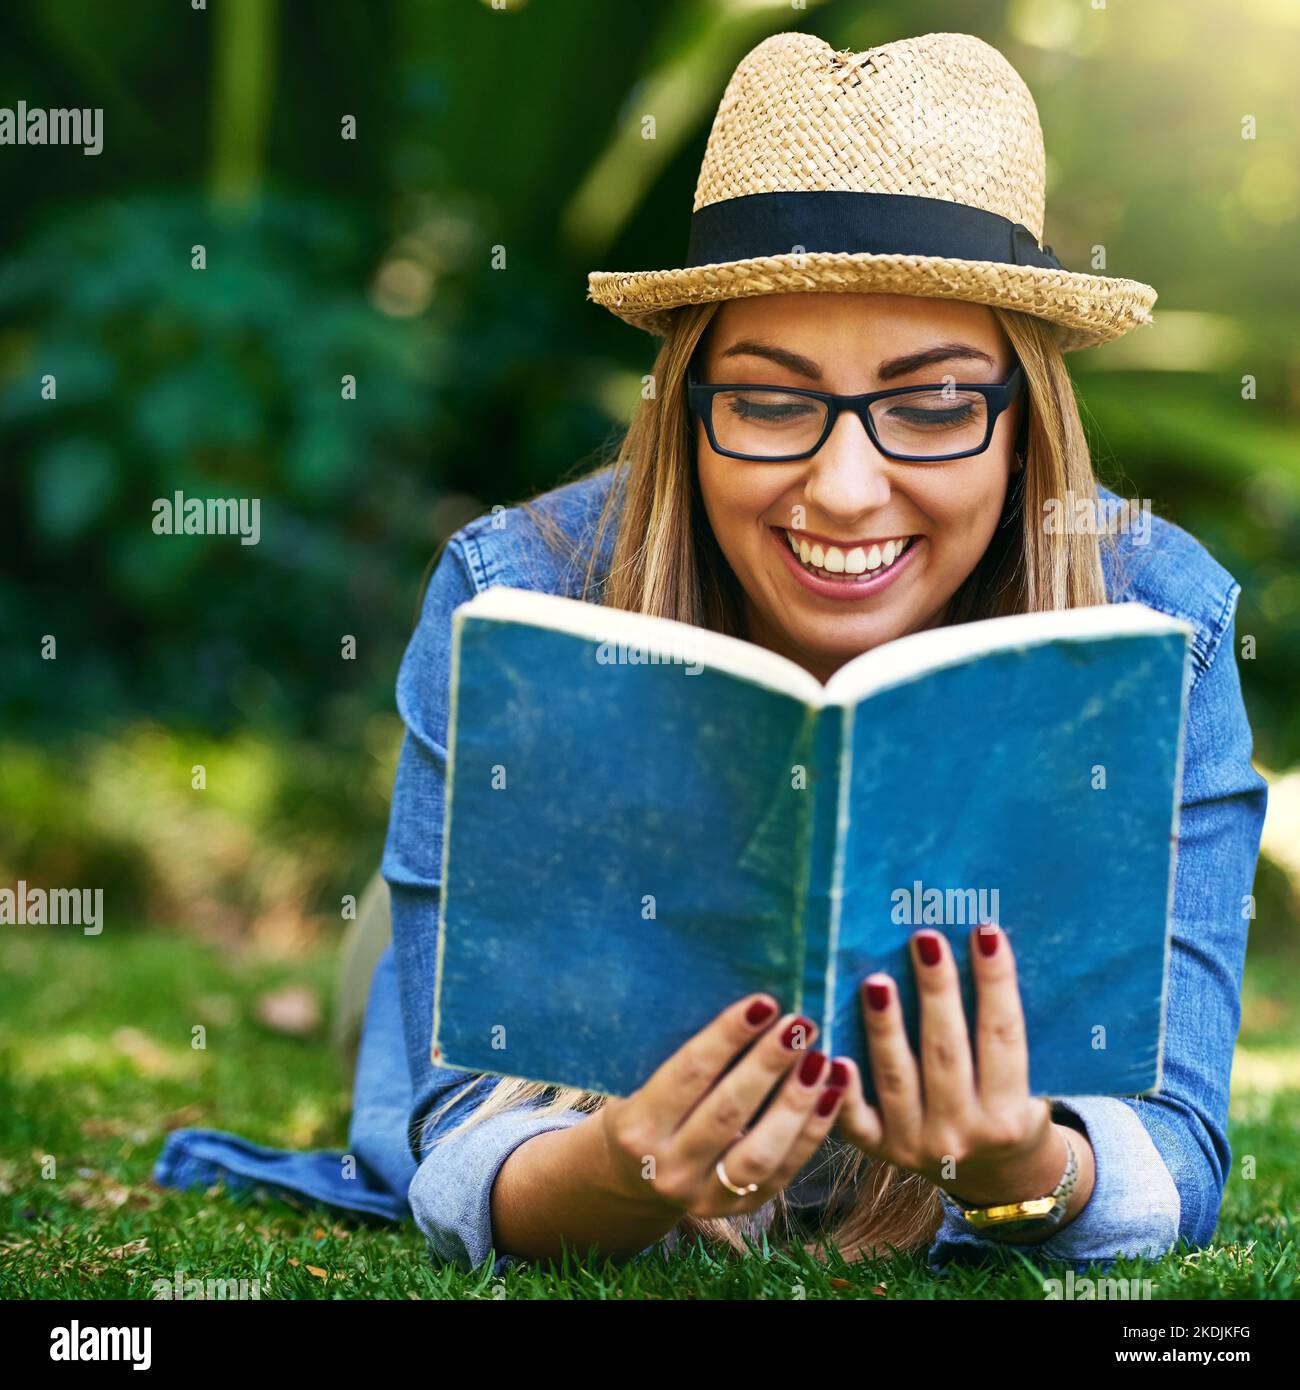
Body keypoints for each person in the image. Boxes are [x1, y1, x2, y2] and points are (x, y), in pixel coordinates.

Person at [156, 29, 1267, 1279]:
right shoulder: (513, 587)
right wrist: (607, 1176)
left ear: (1024, 419)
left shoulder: (1158, 623)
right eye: (770, 398)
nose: (846, 490)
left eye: (937, 401)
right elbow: (452, 1129)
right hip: (459, 921)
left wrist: (1026, 1170)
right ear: (687, 409)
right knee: (392, 981)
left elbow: (1172, 1143)